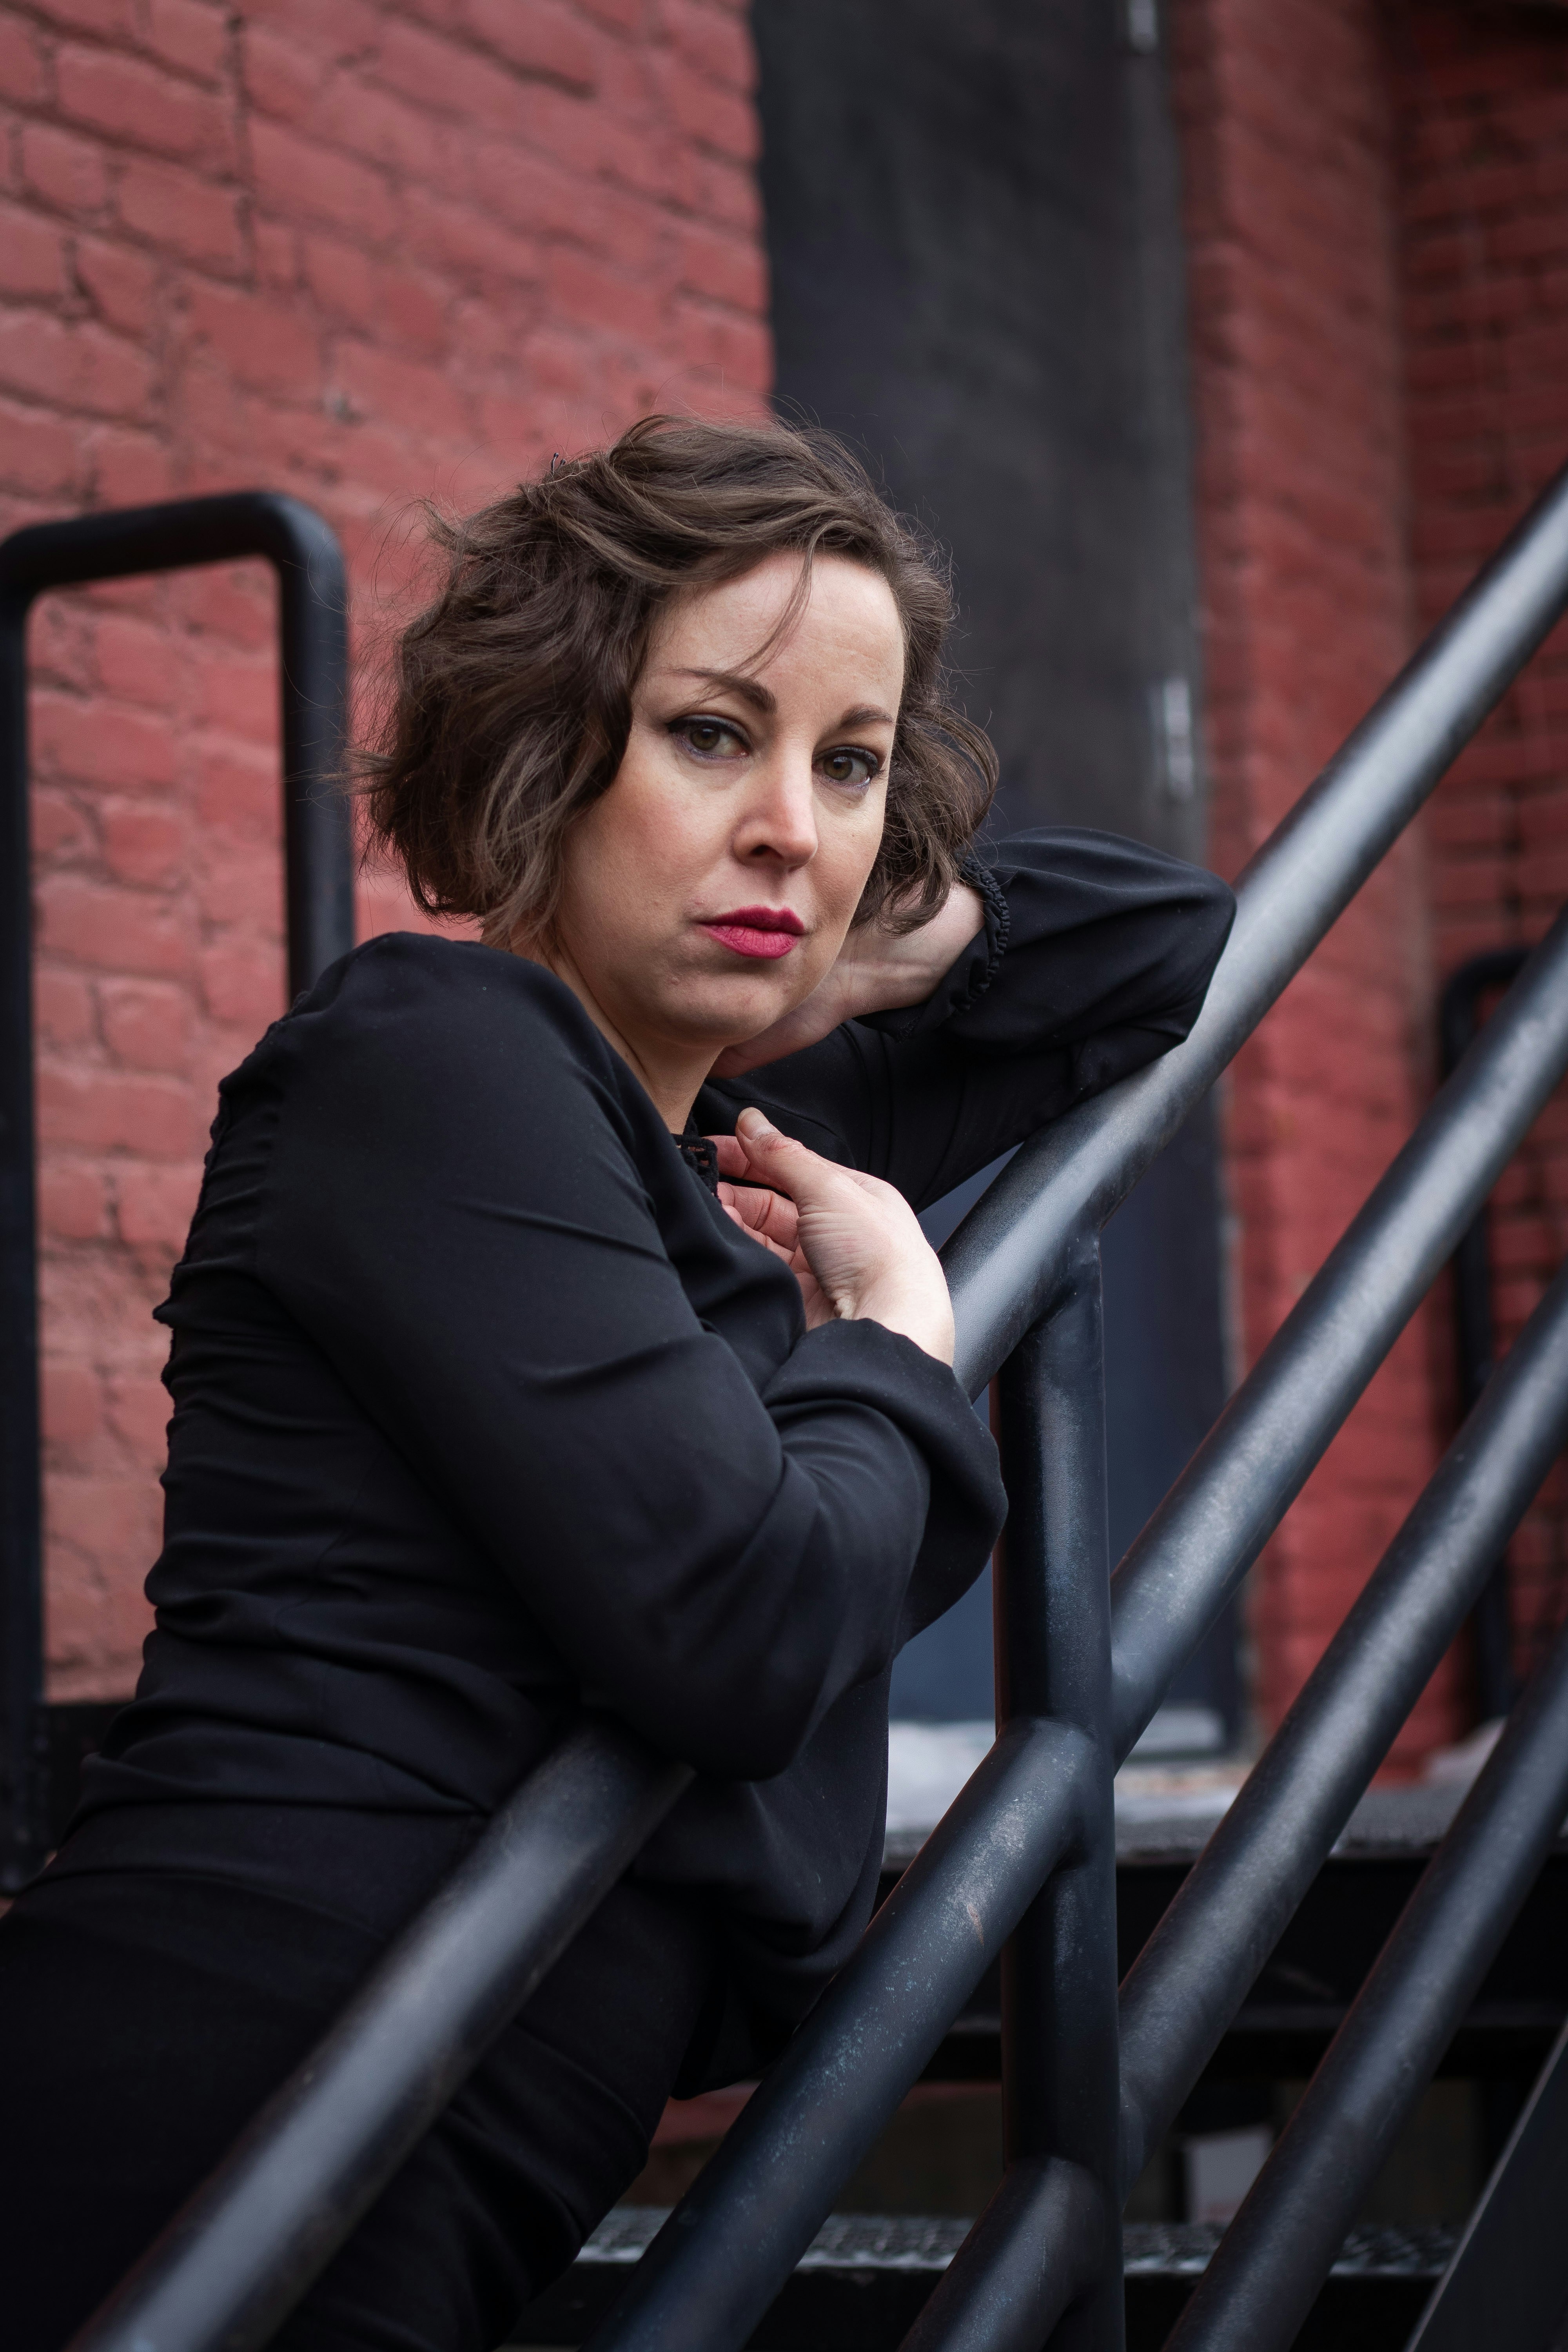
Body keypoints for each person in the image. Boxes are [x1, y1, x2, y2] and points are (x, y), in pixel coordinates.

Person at [0, 417, 1234, 2352]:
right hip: (236, 2074)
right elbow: (741, 1624)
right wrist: (891, 1344)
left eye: (849, 761)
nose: (792, 823)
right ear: (544, 746)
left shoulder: (712, 1141)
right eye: (712, 735)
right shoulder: (431, 1058)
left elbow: (1160, 940)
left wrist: (837, 929)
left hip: (420, 2108)